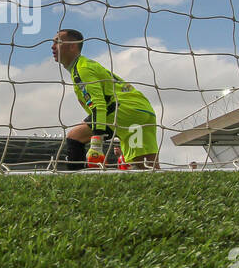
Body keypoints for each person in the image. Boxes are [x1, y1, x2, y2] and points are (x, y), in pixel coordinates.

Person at [51, 29, 159, 170]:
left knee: (74, 137)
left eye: (57, 42)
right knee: (147, 167)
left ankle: (78, 184)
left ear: (72, 46)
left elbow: (99, 106)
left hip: (123, 110)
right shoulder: (86, 65)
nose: (52, 46)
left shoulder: (82, 69)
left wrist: (96, 144)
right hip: (142, 111)